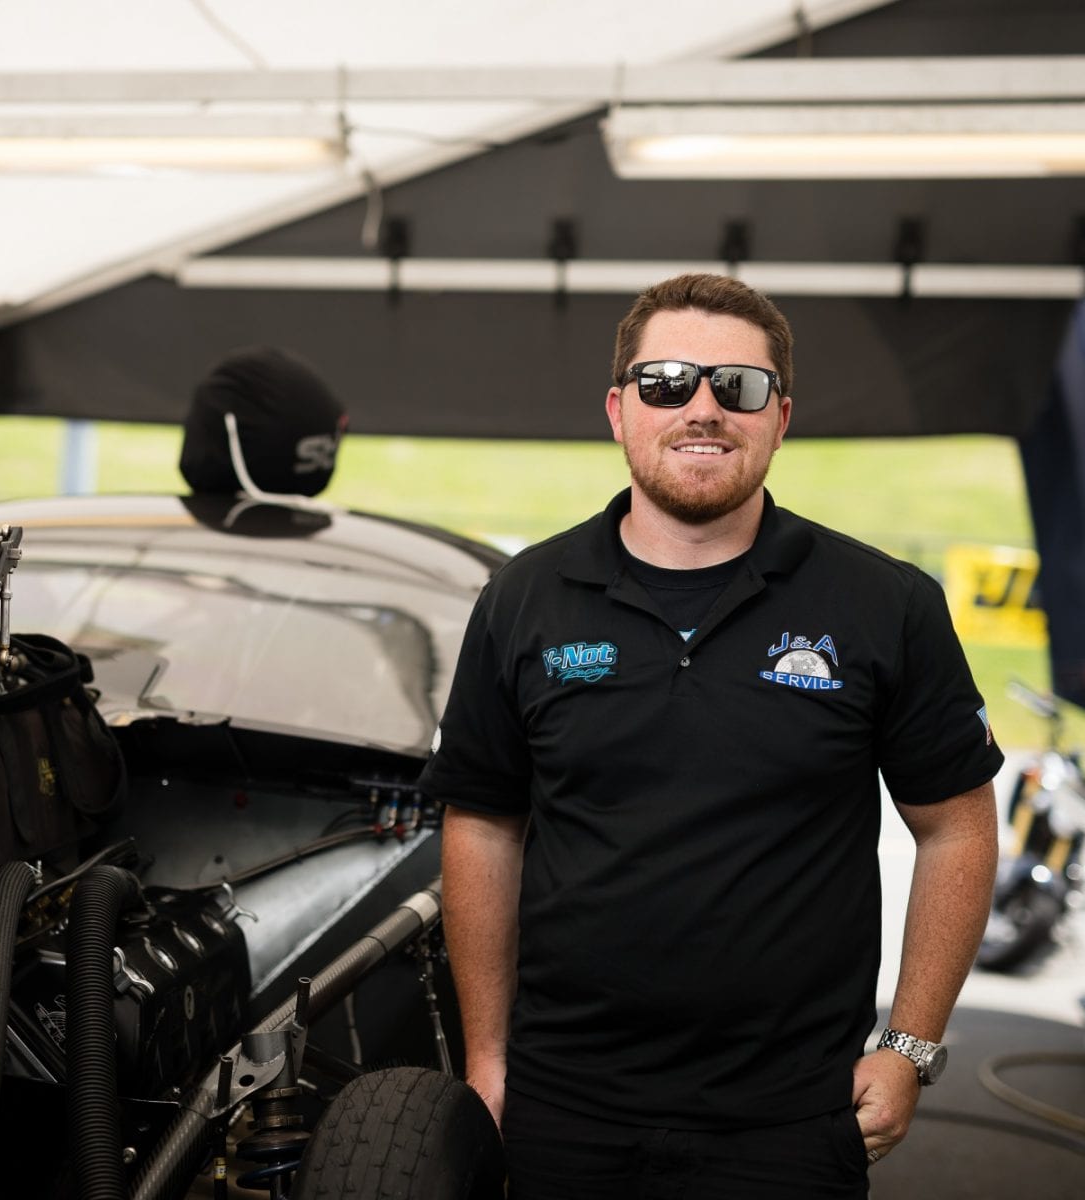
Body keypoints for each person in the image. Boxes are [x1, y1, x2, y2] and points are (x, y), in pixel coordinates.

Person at [419, 273, 1001, 1198]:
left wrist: (909, 1044)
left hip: (793, 1118)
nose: (703, 409)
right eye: (666, 383)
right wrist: (488, 1058)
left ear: (780, 417)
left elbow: (958, 827)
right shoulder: (525, 599)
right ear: (619, 410)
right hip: (564, 1108)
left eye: (739, 387)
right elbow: (484, 824)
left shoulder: (884, 604)